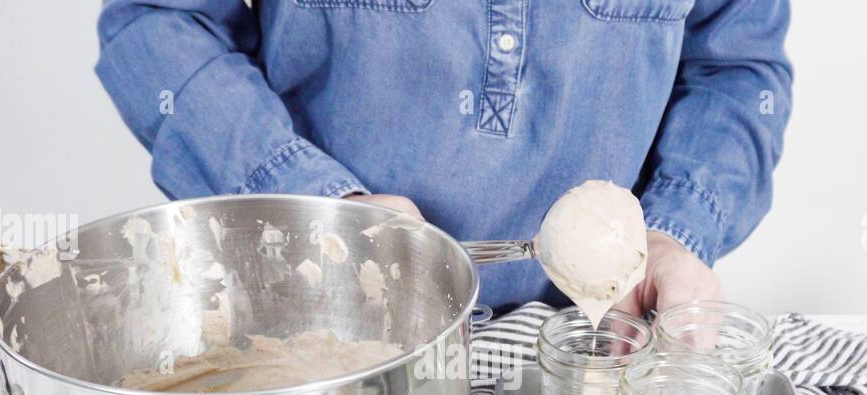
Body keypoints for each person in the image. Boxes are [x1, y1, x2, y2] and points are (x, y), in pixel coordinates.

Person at [95, 0, 791, 316]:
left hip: (599, 354)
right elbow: (158, 22)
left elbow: (736, 67)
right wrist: (320, 203)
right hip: (318, 330)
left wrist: (675, 232)